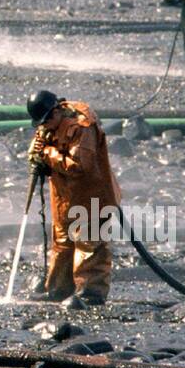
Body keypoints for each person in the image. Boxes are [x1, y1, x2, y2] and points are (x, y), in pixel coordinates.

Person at [26, 90, 122, 305]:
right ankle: (59, 290)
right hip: (65, 197)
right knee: (62, 244)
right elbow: (40, 145)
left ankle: (91, 293)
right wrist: (35, 154)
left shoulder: (83, 126)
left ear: (56, 112)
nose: (43, 127)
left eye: (46, 121)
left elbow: (80, 165)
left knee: (89, 244)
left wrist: (48, 155)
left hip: (92, 196)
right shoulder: (49, 125)